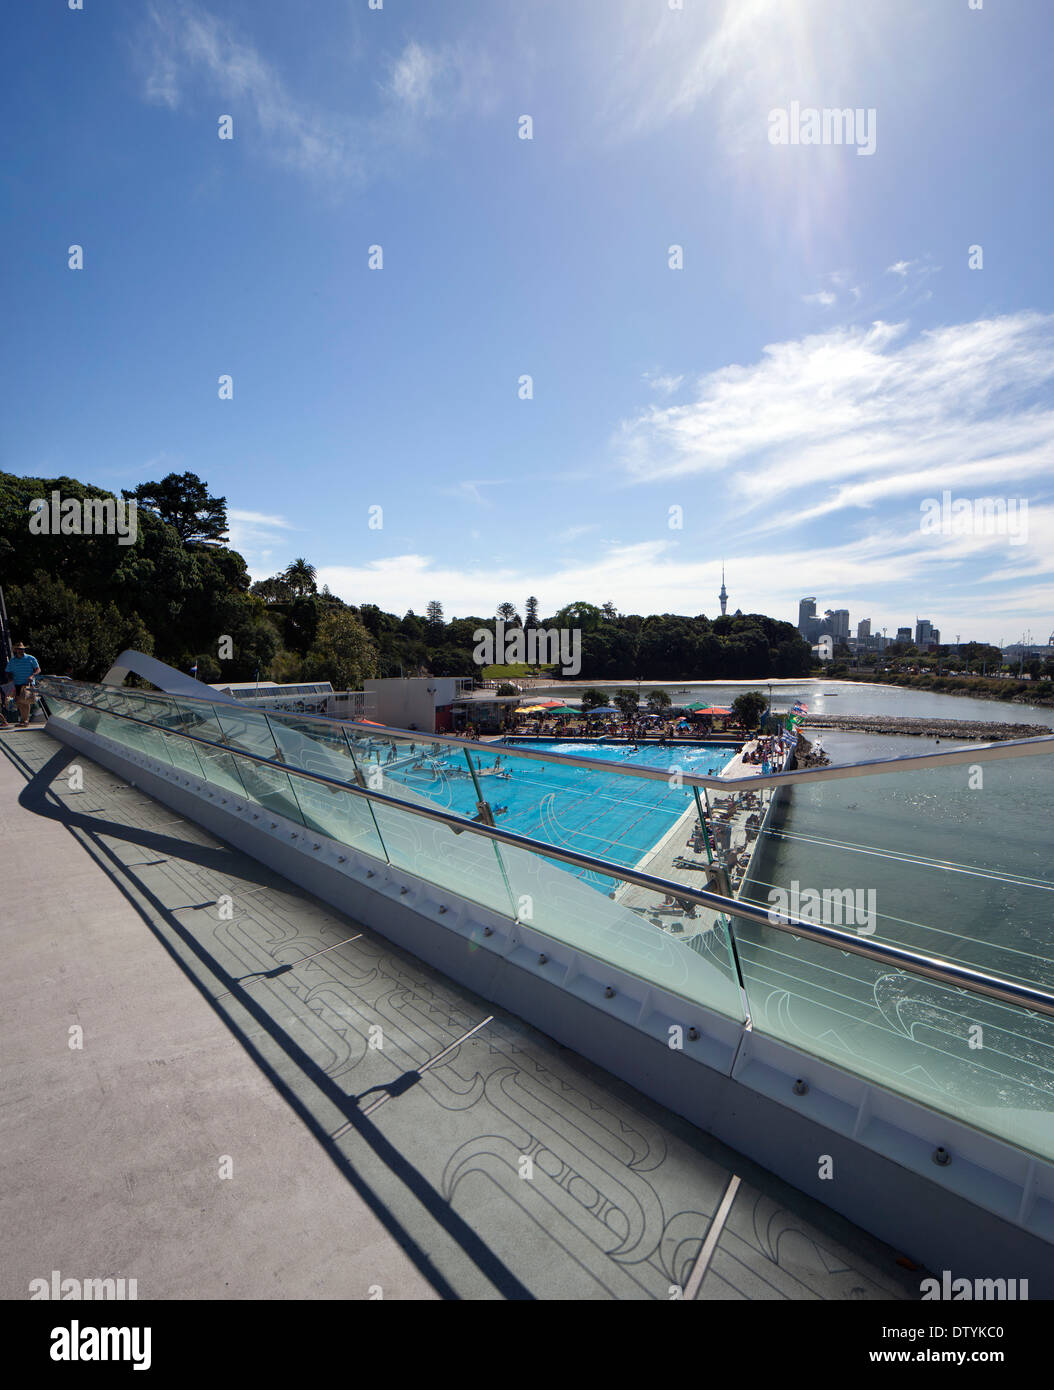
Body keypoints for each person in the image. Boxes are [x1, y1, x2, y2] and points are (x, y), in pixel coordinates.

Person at [6, 642, 40, 727]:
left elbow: (38, 669)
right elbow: (8, 671)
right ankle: (23, 719)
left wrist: (32, 676)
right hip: (17, 683)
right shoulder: (13, 661)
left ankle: (25, 720)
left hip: (28, 684)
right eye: (19, 649)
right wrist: (10, 680)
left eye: (22, 649)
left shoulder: (30, 658)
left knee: (26, 700)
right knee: (19, 702)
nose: (21, 651)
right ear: (16, 650)